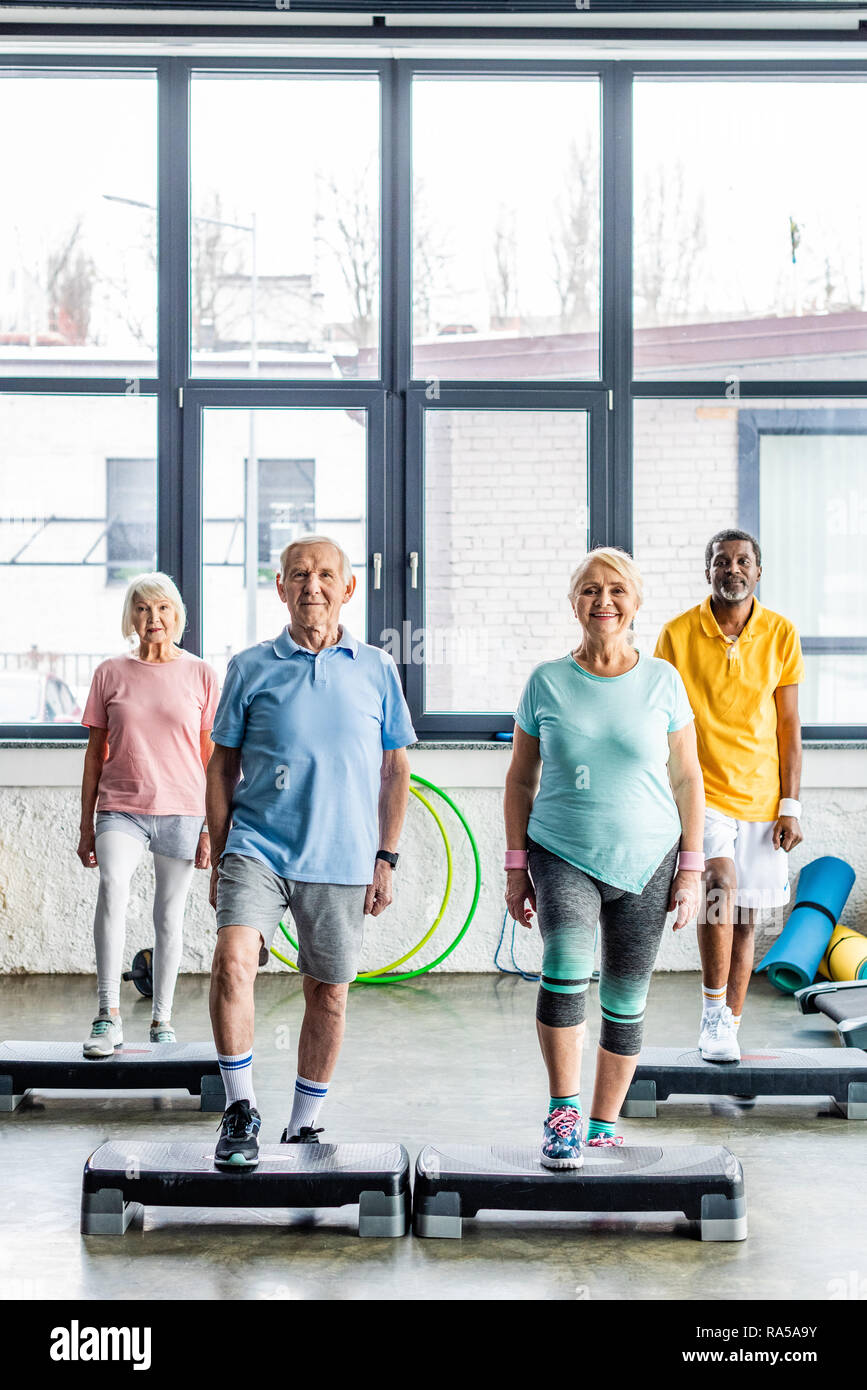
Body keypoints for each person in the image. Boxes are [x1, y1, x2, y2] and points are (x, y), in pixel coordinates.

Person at [207, 535, 416, 1168]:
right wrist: (221, 857)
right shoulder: (249, 666)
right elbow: (221, 767)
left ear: (349, 588)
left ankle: (304, 1124)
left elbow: (396, 770)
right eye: (299, 574)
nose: (312, 585)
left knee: (328, 993)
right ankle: (240, 1108)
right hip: (256, 847)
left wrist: (386, 857)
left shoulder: (378, 667)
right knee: (232, 961)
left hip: (342, 858)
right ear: (280, 587)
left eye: (326, 574)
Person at [504, 547, 704, 1169]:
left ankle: (603, 1124)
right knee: (567, 957)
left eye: (617, 590)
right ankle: (563, 1110)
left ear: (636, 603)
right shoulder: (547, 681)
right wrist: (516, 866)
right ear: (574, 604)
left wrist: (692, 867)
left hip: (649, 857)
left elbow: (688, 778)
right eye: (590, 590)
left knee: (626, 991)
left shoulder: (663, 681)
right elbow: (518, 779)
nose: (604, 601)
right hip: (562, 848)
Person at [654, 529, 804, 1062]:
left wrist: (791, 804)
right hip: (703, 792)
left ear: (758, 572)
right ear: (708, 571)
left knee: (745, 920)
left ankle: (728, 1027)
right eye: (721, 561)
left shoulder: (782, 633)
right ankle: (712, 1010)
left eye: (743, 561)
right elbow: (662, 719)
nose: (732, 568)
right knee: (717, 884)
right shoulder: (675, 634)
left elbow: (788, 724)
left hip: (764, 799)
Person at [77, 573, 218, 1056]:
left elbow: (212, 758)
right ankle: (107, 1015)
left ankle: (162, 1019)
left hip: (183, 808)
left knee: (169, 915)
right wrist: (84, 826)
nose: (152, 619)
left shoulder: (201, 674)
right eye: (142, 609)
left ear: (177, 616)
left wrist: (211, 829)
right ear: (130, 617)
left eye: (162, 609)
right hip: (121, 806)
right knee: (113, 887)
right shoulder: (110, 673)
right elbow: (95, 754)